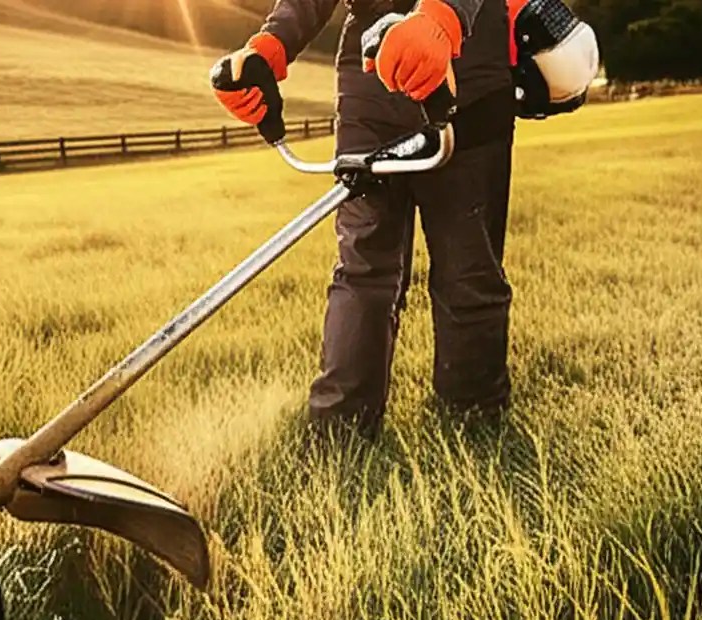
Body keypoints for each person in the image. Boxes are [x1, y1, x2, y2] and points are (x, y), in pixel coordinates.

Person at [213, 0, 515, 439]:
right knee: (363, 267)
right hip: (369, 85)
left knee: (469, 268)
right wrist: (270, 45)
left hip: (467, 82)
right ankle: (341, 431)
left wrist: (440, 19)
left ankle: (475, 424)